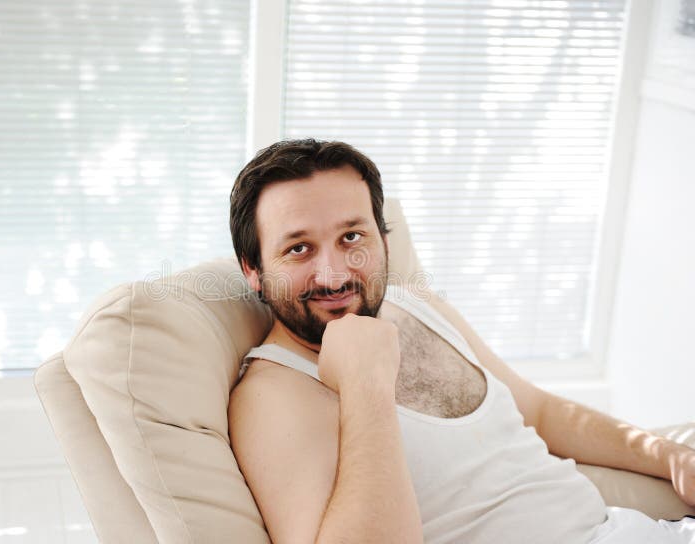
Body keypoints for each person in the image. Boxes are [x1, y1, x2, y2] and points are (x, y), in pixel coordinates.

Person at [226, 139, 695, 543]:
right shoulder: (272, 396)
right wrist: (366, 386)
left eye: (352, 236)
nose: (333, 273)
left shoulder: (415, 305)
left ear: (384, 242)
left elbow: (540, 411)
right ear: (253, 271)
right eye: (298, 248)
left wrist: (668, 455)